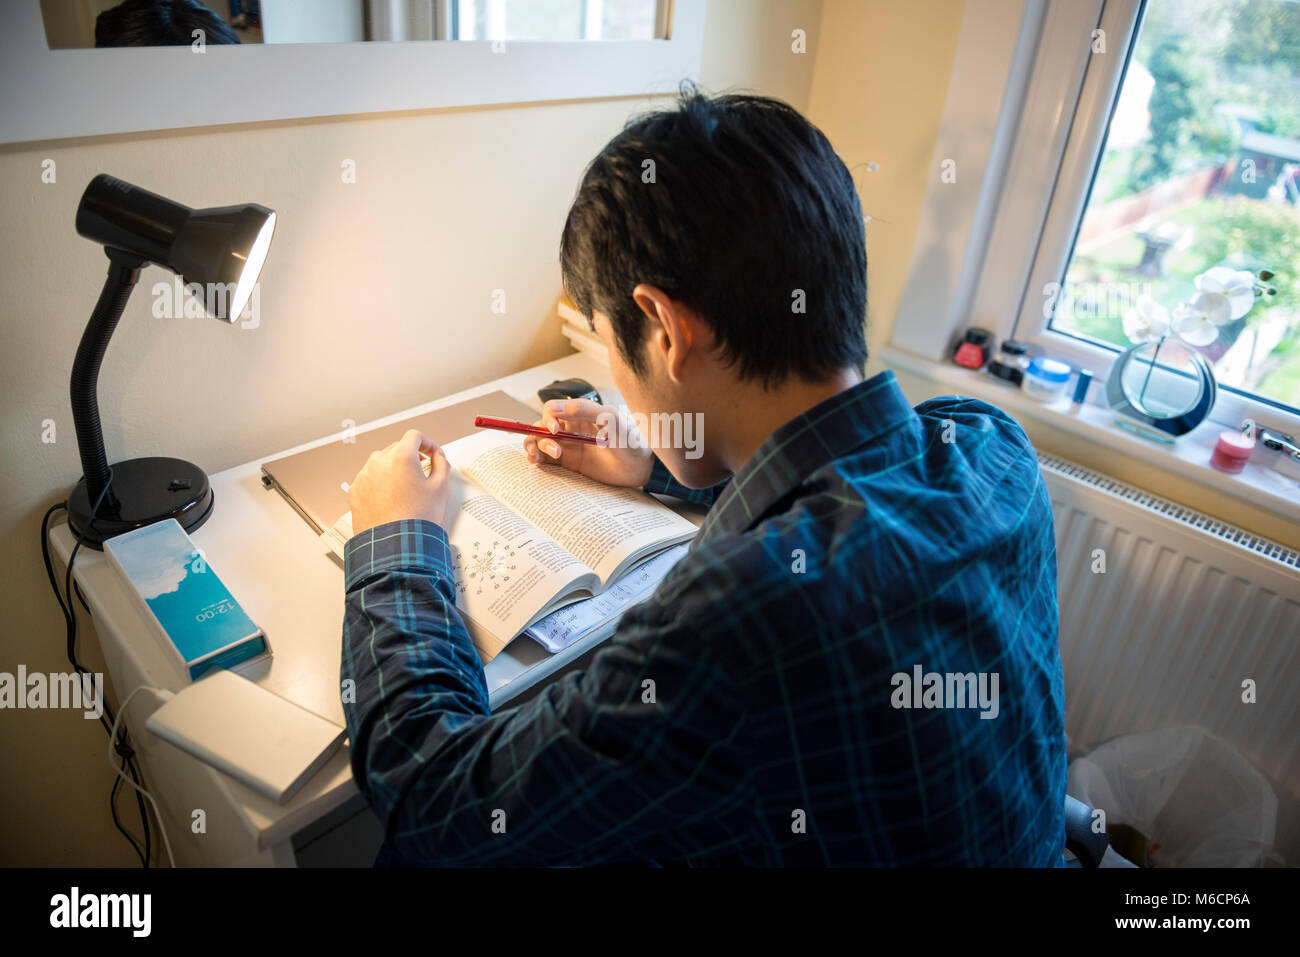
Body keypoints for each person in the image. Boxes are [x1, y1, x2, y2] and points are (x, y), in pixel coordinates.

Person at [341, 88, 1067, 866]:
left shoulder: (740, 610)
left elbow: (438, 804)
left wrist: (397, 541)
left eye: (611, 352)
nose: (619, 385)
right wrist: (660, 462)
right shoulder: (992, 448)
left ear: (666, 328)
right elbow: (835, 488)